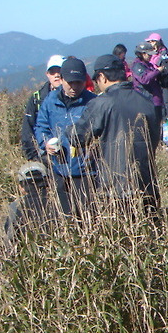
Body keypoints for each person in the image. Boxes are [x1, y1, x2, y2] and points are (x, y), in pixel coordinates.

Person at [70, 55, 162, 213]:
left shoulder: (102, 103)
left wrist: (64, 133)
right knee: (150, 222)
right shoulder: (147, 102)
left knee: (123, 224)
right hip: (147, 182)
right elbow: (155, 137)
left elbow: (78, 137)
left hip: (116, 186)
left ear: (102, 77)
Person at [34, 57, 97, 216]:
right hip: (59, 168)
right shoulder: (50, 100)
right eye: (70, 82)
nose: (74, 87)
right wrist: (45, 143)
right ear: (61, 80)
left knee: (87, 215)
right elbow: (41, 126)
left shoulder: (94, 102)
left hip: (86, 172)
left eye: (79, 82)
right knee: (65, 215)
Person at [21, 54, 65, 162]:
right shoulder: (37, 99)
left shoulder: (77, 96)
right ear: (47, 74)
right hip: (44, 156)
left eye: (59, 71)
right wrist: (34, 157)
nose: (56, 75)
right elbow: (27, 130)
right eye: (52, 72)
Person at [4, 162, 60, 243]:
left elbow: (10, 236)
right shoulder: (59, 202)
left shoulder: (16, 206)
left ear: (21, 188)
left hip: (29, 248)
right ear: (49, 182)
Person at [146, 33, 168, 119]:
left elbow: (158, 62)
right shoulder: (152, 52)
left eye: (151, 41)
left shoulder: (163, 52)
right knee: (159, 98)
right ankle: (163, 115)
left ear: (156, 42)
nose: (150, 43)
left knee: (166, 98)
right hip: (156, 78)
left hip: (163, 78)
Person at [131, 41, 163, 116]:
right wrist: (157, 71)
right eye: (149, 54)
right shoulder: (137, 66)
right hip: (145, 99)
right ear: (142, 54)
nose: (150, 56)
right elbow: (144, 79)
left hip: (155, 99)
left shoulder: (149, 65)